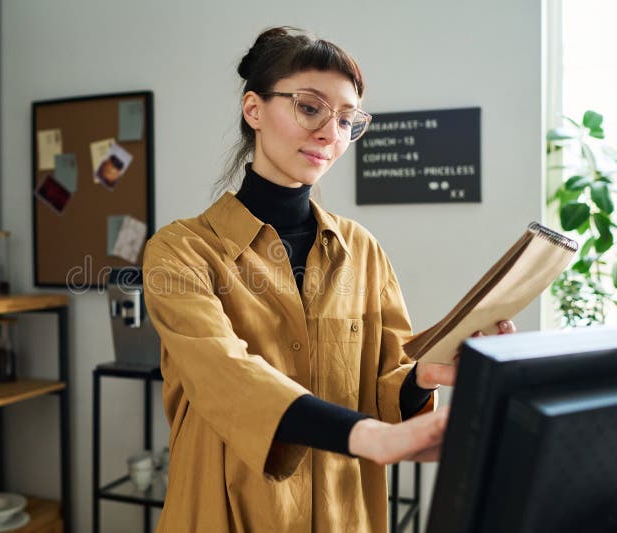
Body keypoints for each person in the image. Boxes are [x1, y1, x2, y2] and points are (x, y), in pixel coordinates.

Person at [141, 26, 515, 533]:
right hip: (226, 511)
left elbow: (386, 375)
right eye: (310, 107)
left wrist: (426, 373)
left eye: (346, 120)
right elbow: (224, 374)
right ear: (254, 109)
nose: (330, 134)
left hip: (345, 513)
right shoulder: (180, 251)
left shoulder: (361, 249)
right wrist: (371, 437)